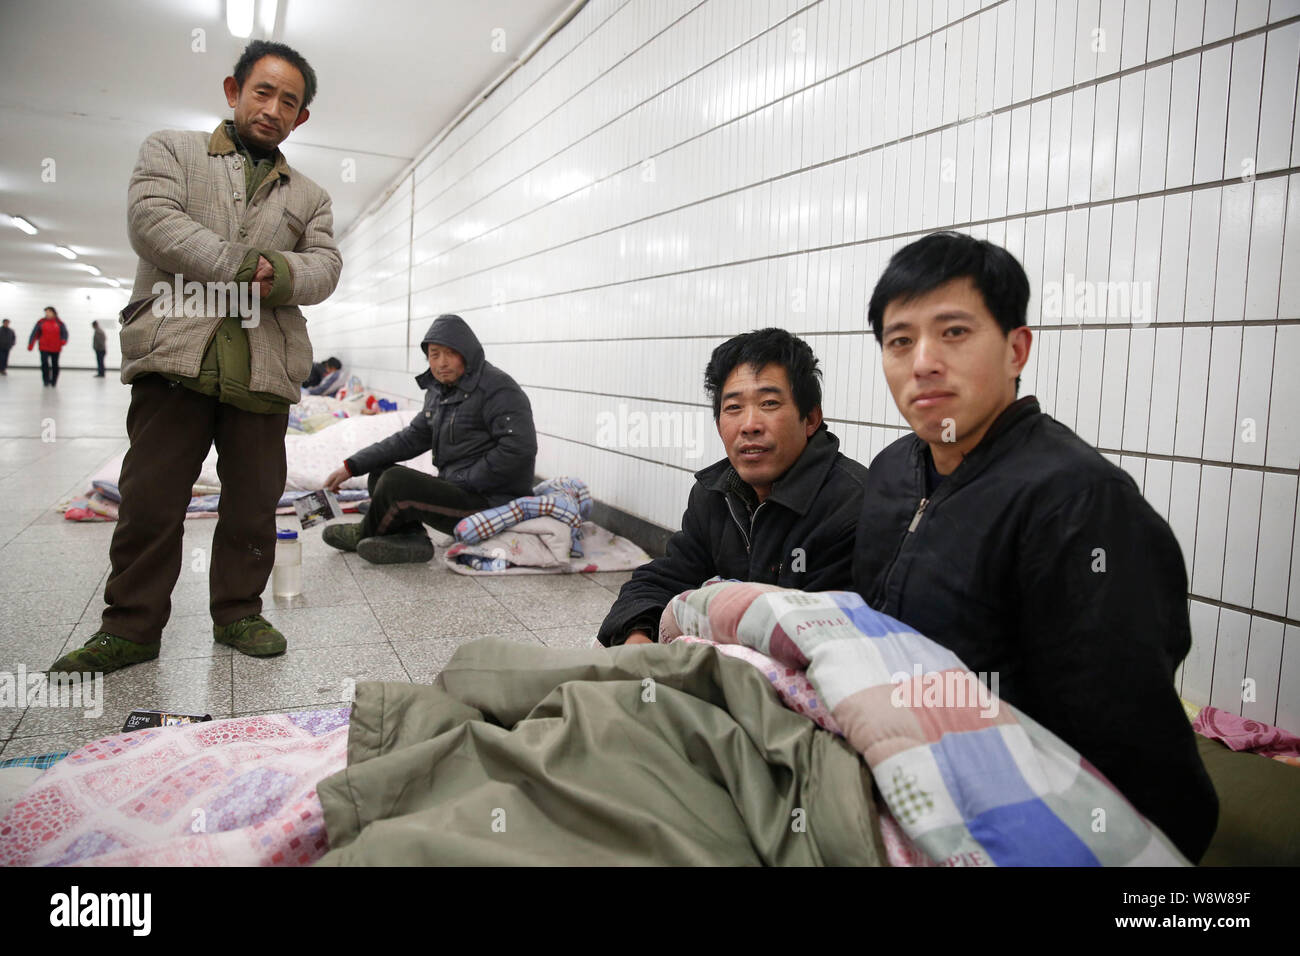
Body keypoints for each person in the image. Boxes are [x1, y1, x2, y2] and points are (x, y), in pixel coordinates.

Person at [852, 230, 1217, 862]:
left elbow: (1133, 751)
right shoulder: (889, 472)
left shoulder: (1081, 503)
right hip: (900, 777)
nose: (923, 362)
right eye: (899, 340)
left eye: (955, 332)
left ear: (1017, 349)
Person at [49, 40, 342, 676]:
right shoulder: (171, 150)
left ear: (302, 118)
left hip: (263, 366)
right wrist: (247, 266)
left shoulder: (310, 196)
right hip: (177, 355)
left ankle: (239, 612)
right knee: (151, 497)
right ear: (233, 91)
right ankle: (130, 627)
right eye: (262, 92)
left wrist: (284, 274)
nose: (272, 108)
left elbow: (325, 267)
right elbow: (154, 222)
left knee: (254, 502)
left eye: (288, 101)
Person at [597, 328, 868, 647]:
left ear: (809, 419)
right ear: (718, 424)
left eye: (769, 403)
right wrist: (637, 637)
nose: (749, 424)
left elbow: (823, 638)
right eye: (733, 408)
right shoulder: (714, 494)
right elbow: (666, 577)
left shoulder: (851, 504)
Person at [322, 314, 537, 564]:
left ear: (466, 354)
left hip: (491, 501)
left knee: (395, 482)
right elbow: (410, 438)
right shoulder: (440, 392)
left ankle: (364, 532)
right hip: (460, 489)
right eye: (435, 355)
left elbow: (519, 449)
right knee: (380, 472)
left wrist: (462, 480)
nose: (442, 363)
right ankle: (411, 538)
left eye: (450, 353)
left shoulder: (498, 389)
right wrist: (353, 465)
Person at [28, 306, 68, 386]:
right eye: (46, 312)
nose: (47, 313)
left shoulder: (59, 323)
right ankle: (46, 380)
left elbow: (64, 333)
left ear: (53, 313)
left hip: (55, 347)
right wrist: (31, 344)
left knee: (55, 364)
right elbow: (34, 333)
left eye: (49, 312)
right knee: (44, 363)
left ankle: (54, 380)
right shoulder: (41, 322)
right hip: (44, 347)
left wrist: (63, 340)